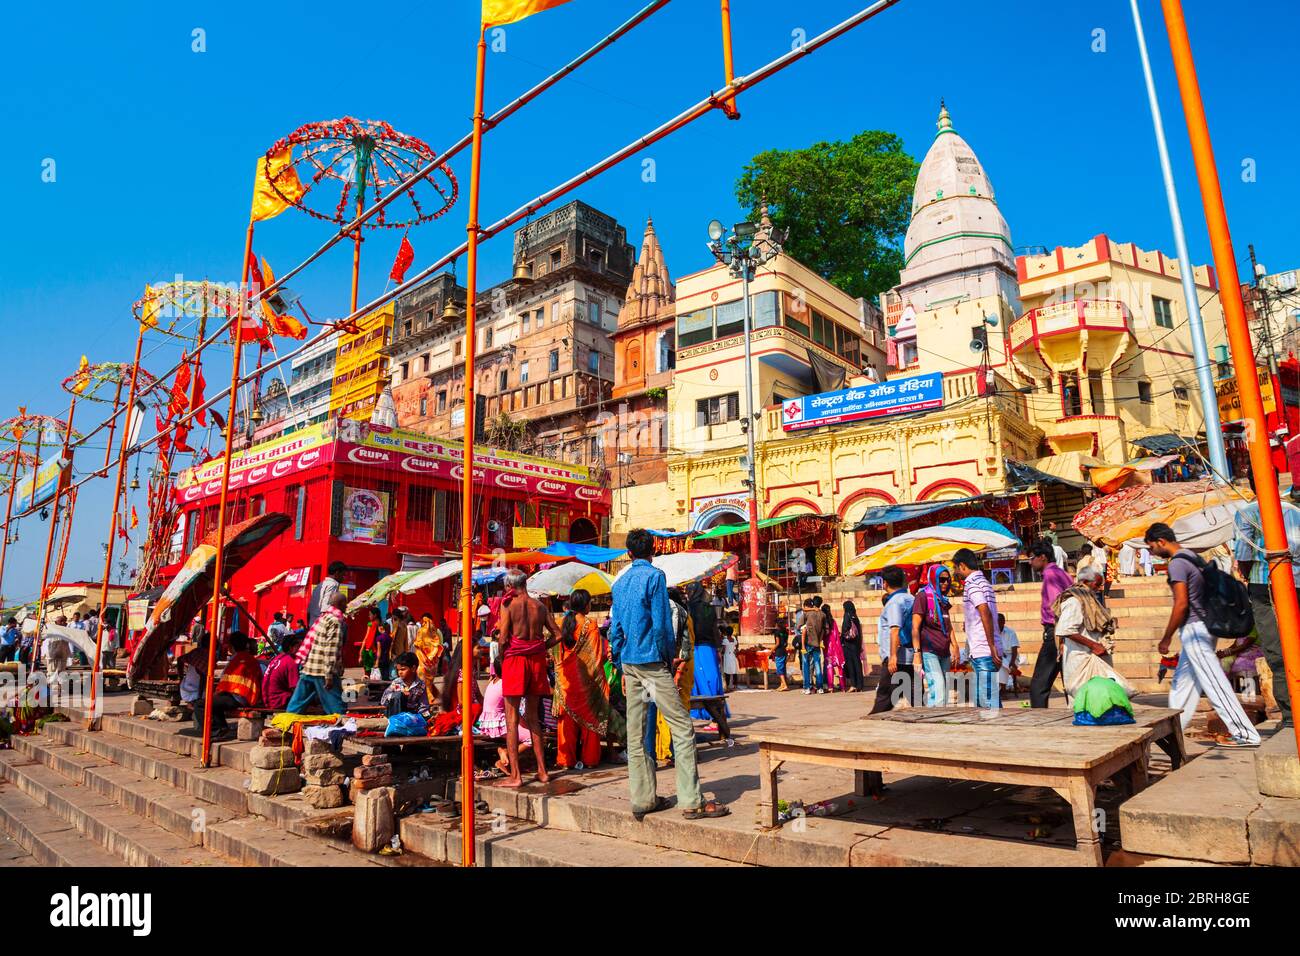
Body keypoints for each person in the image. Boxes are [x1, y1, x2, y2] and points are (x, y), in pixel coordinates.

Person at [609, 528, 728, 821]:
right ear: (653, 551)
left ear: (629, 553)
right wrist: (666, 660)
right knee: (682, 727)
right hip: (651, 662)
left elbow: (616, 630)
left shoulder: (620, 583)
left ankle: (643, 799)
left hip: (630, 663)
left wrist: (619, 662)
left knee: (635, 735)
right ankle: (692, 800)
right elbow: (662, 625)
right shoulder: (654, 577)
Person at [1146, 523, 1261, 746]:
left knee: (1214, 683)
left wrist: (1166, 637)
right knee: (1182, 685)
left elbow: (1181, 604)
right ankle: (1172, 731)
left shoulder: (1178, 564)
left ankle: (1245, 733)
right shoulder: (1191, 556)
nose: (1151, 553)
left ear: (1161, 542)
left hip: (1195, 630)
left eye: (1151, 547)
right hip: (1202, 627)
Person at [1231, 500, 1299, 721]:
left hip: (1265, 584)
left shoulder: (1248, 512)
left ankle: (1290, 715)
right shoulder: (1294, 511)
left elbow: (1243, 553)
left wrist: (1244, 575)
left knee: (1276, 652)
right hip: (1295, 582)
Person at [496, 568, 559, 788]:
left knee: (512, 720)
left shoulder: (508, 605)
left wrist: (502, 658)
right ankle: (542, 771)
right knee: (534, 718)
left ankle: (516, 776)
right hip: (536, 661)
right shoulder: (540, 606)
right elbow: (558, 635)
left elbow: (503, 638)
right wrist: (540, 647)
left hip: (515, 661)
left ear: (510, 586)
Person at [1053, 565, 1133, 697]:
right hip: (1081, 660)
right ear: (1085, 582)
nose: (1099, 588)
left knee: (1102, 699)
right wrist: (1093, 645)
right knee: (1085, 701)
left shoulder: (1090, 600)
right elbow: (1065, 629)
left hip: (1093, 657)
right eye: (1097, 585)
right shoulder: (1074, 601)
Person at [552, 588, 608, 770]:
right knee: (590, 723)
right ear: (586, 605)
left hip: (565, 681)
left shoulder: (561, 623)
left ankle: (565, 760)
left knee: (566, 724)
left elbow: (555, 654)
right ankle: (590, 760)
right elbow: (595, 657)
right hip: (585, 682)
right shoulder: (590, 625)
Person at [953, 549, 1002, 709]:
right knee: (986, 700)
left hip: (983, 649)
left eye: (955, 568)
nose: (955, 572)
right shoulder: (985, 583)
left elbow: (984, 611)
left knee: (988, 702)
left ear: (962, 566)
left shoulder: (972, 584)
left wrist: (991, 646)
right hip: (985, 648)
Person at [287, 591, 349, 715]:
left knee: (296, 705)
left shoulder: (323, 617)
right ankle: (343, 730)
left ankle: (284, 726)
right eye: (345, 604)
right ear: (341, 604)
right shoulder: (336, 621)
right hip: (322, 670)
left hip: (309, 667)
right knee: (336, 707)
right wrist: (329, 675)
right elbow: (331, 649)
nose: (346, 607)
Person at [1029, 541, 1074, 708]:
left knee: (1038, 686)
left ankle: (1039, 721)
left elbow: (1057, 607)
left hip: (1056, 632)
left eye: (1032, 558)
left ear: (1043, 557)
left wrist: (1059, 637)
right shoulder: (1062, 573)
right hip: (1065, 633)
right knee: (1070, 682)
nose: (1030, 562)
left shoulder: (1051, 576)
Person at [194, 631, 262, 740]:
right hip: (247, 695)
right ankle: (222, 728)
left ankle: (214, 732)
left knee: (200, 705)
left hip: (239, 697)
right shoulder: (250, 658)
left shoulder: (237, 660)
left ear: (232, 646)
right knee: (215, 701)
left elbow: (225, 684)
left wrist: (216, 693)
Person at [871, 565, 917, 714]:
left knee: (884, 697)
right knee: (915, 695)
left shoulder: (894, 602)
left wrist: (892, 657)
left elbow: (895, 630)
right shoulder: (911, 598)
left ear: (885, 583)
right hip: (911, 655)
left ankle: (872, 722)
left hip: (896, 659)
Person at [912, 564, 958, 707]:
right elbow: (915, 627)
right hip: (929, 651)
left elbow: (948, 625)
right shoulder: (923, 597)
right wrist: (917, 653)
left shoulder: (942, 600)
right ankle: (937, 722)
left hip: (944, 652)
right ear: (933, 579)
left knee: (942, 690)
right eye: (941, 580)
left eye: (947, 580)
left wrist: (955, 645)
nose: (945, 583)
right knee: (939, 691)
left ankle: (933, 721)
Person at [688, 583, 729, 717]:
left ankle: (705, 713)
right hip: (710, 648)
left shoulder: (688, 608)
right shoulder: (710, 609)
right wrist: (718, 648)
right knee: (713, 678)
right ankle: (716, 712)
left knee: (698, 679)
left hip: (695, 648)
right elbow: (714, 630)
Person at [381, 651, 432, 719]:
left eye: (403, 669)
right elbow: (383, 701)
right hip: (397, 715)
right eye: (398, 670)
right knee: (398, 695)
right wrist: (399, 694)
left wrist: (420, 718)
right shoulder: (396, 683)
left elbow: (424, 706)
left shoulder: (421, 685)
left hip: (413, 716)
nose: (400, 672)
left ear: (413, 668)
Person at [261, 631, 302, 711]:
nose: (300, 650)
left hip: (268, 701)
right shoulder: (290, 662)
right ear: (291, 647)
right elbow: (296, 689)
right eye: (298, 647)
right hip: (278, 701)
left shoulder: (276, 659)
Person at [798, 597, 824, 694]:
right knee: (817, 665)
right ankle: (820, 687)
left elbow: (799, 626)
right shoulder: (822, 614)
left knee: (806, 665)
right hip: (817, 643)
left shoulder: (807, 613)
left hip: (807, 643)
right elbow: (825, 630)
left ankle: (807, 687)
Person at [307, 561, 346, 626]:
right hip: (322, 626)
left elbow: (309, 609)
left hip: (313, 624)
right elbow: (326, 608)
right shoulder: (333, 585)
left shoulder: (320, 585)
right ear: (337, 573)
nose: (344, 578)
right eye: (343, 575)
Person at [840, 601, 864, 692]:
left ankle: (853, 685)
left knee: (850, 664)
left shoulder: (847, 615)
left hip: (848, 644)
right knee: (857, 664)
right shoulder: (856, 617)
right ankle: (860, 685)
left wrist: (842, 637)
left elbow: (845, 628)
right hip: (856, 644)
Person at [821, 602, 845, 692]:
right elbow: (837, 634)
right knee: (840, 667)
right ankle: (843, 687)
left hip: (828, 647)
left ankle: (830, 687)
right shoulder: (833, 621)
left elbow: (825, 634)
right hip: (837, 646)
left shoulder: (824, 622)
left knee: (829, 666)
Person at [996, 612, 1021, 695]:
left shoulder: (1011, 632)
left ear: (1003, 622)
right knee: (1000, 663)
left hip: (1012, 657)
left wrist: (1012, 662)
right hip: (1000, 655)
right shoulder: (993, 633)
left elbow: (1014, 650)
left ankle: (1003, 691)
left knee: (1002, 664)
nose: (997, 624)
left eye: (999, 622)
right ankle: (1001, 690)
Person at [771, 620, 791, 692]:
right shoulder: (786, 632)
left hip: (779, 652)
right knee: (783, 668)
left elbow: (777, 643)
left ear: (777, 625)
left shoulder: (777, 632)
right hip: (784, 651)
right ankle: (782, 684)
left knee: (779, 669)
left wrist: (771, 650)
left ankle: (785, 685)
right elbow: (785, 643)